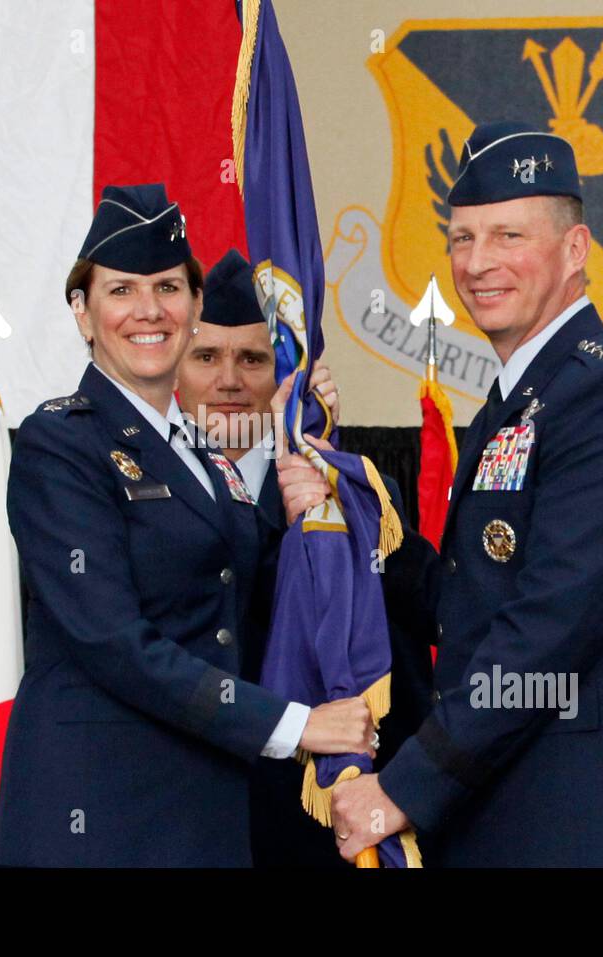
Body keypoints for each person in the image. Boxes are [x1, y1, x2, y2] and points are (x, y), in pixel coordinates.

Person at [280, 123, 603, 866]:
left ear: (575, 251)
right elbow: (476, 600)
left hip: (592, 823)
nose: (477, 263)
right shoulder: (522, 395)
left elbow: (547, 634)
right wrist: (359, 522)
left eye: (507, 236)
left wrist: (404, 785)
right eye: (462, 238)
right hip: (518, 809)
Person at [0, 184, 375, 867]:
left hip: (199, 815)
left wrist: (298, 452)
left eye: (168, 287)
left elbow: (240, 588)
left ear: (196, 309)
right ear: (82, 313)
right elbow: (114, 640)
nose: (148, 310)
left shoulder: (197, 451)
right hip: (99, 818)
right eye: (121, 290)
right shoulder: (61, 442)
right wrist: (297, 725)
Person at [178, 249, 433, 867]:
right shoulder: (163, 501)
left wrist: (333, 505)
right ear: (174, 373)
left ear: (284, 376)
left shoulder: (356, 486)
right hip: (213, 808)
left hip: (347, 818)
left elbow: (428, 612)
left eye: (254, 359)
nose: (230, 381)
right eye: (207, 357)